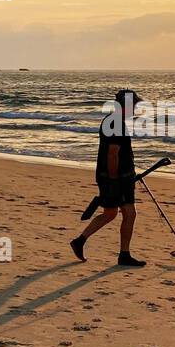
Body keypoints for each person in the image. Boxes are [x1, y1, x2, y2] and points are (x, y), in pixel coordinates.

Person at [70, 89, 146, 267]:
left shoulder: (112, 120)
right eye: (134, 105)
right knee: (129, 213)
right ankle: (124, 255)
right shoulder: (116, 123)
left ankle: (79, 241)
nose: (135, 108)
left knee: (110, 213)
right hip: (116, 179)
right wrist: (115, 181)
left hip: (113, 177)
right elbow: (112, 154)